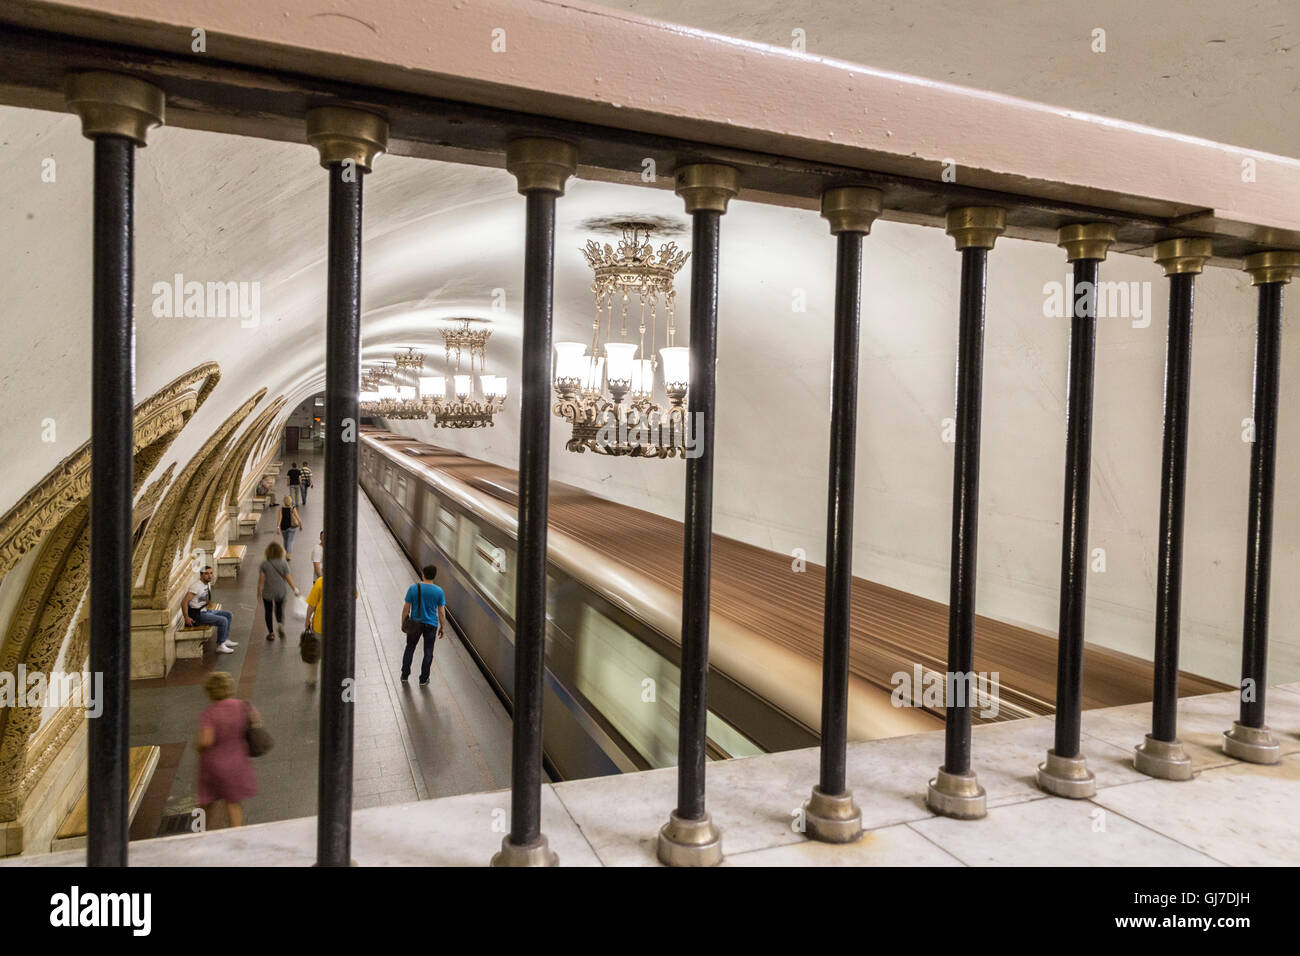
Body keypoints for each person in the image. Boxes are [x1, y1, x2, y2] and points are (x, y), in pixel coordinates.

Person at [196, 670, 258, 828]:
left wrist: (199, 747)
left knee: (205, 802)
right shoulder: (243, 706)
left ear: (209, 692)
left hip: (213, 766)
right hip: (237, 762)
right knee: (233, 803)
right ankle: (236, 837)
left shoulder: (209, 714)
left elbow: (206, 740)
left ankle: (198, 832)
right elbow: (256, 721)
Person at [400, 564, 448, 686]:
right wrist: (442, 626)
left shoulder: (413, 588)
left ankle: (405, 675)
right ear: (434, 576)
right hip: (431, 625)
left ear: (423, 574)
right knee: (428, 651)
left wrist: (403, 622)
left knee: (410, 648)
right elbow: (441, 612)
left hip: (415, 623)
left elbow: (406, 607)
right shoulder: (439, 591)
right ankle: (423, 679)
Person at [183, 566, 237, 655]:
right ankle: (220, 645)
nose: (210, 576)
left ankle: (224, 639)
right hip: (198, 615)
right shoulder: (196, 586)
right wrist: (187, 618)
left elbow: (205, 600)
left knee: (228, 614)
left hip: (205, 610)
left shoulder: (206, 584)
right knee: (223, 620)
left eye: (211, 573)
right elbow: (184, 602)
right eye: (207, 574)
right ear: (201, 575)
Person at [256, 541, 300, 641]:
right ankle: (280, 624)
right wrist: (295, 589)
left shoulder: (264, 564)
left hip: (268, 591)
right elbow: (288, 578)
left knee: (268, 611)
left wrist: (259, 592)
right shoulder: (283, 563)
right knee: (279, 608)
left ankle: (271, 633)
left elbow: (261, 579)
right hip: (280, 590)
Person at [278, 495, 302, 560]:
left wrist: (278, 527)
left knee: (285, 540)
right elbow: (297, 517)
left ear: (284, 502)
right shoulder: (293, 508)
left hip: (283, 527)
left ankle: (287, 552)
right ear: (290, 501)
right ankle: (288, 554)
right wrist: (300, 524)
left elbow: (280, 518)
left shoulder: (281, 509)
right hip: (292, 527)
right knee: (290, 541)